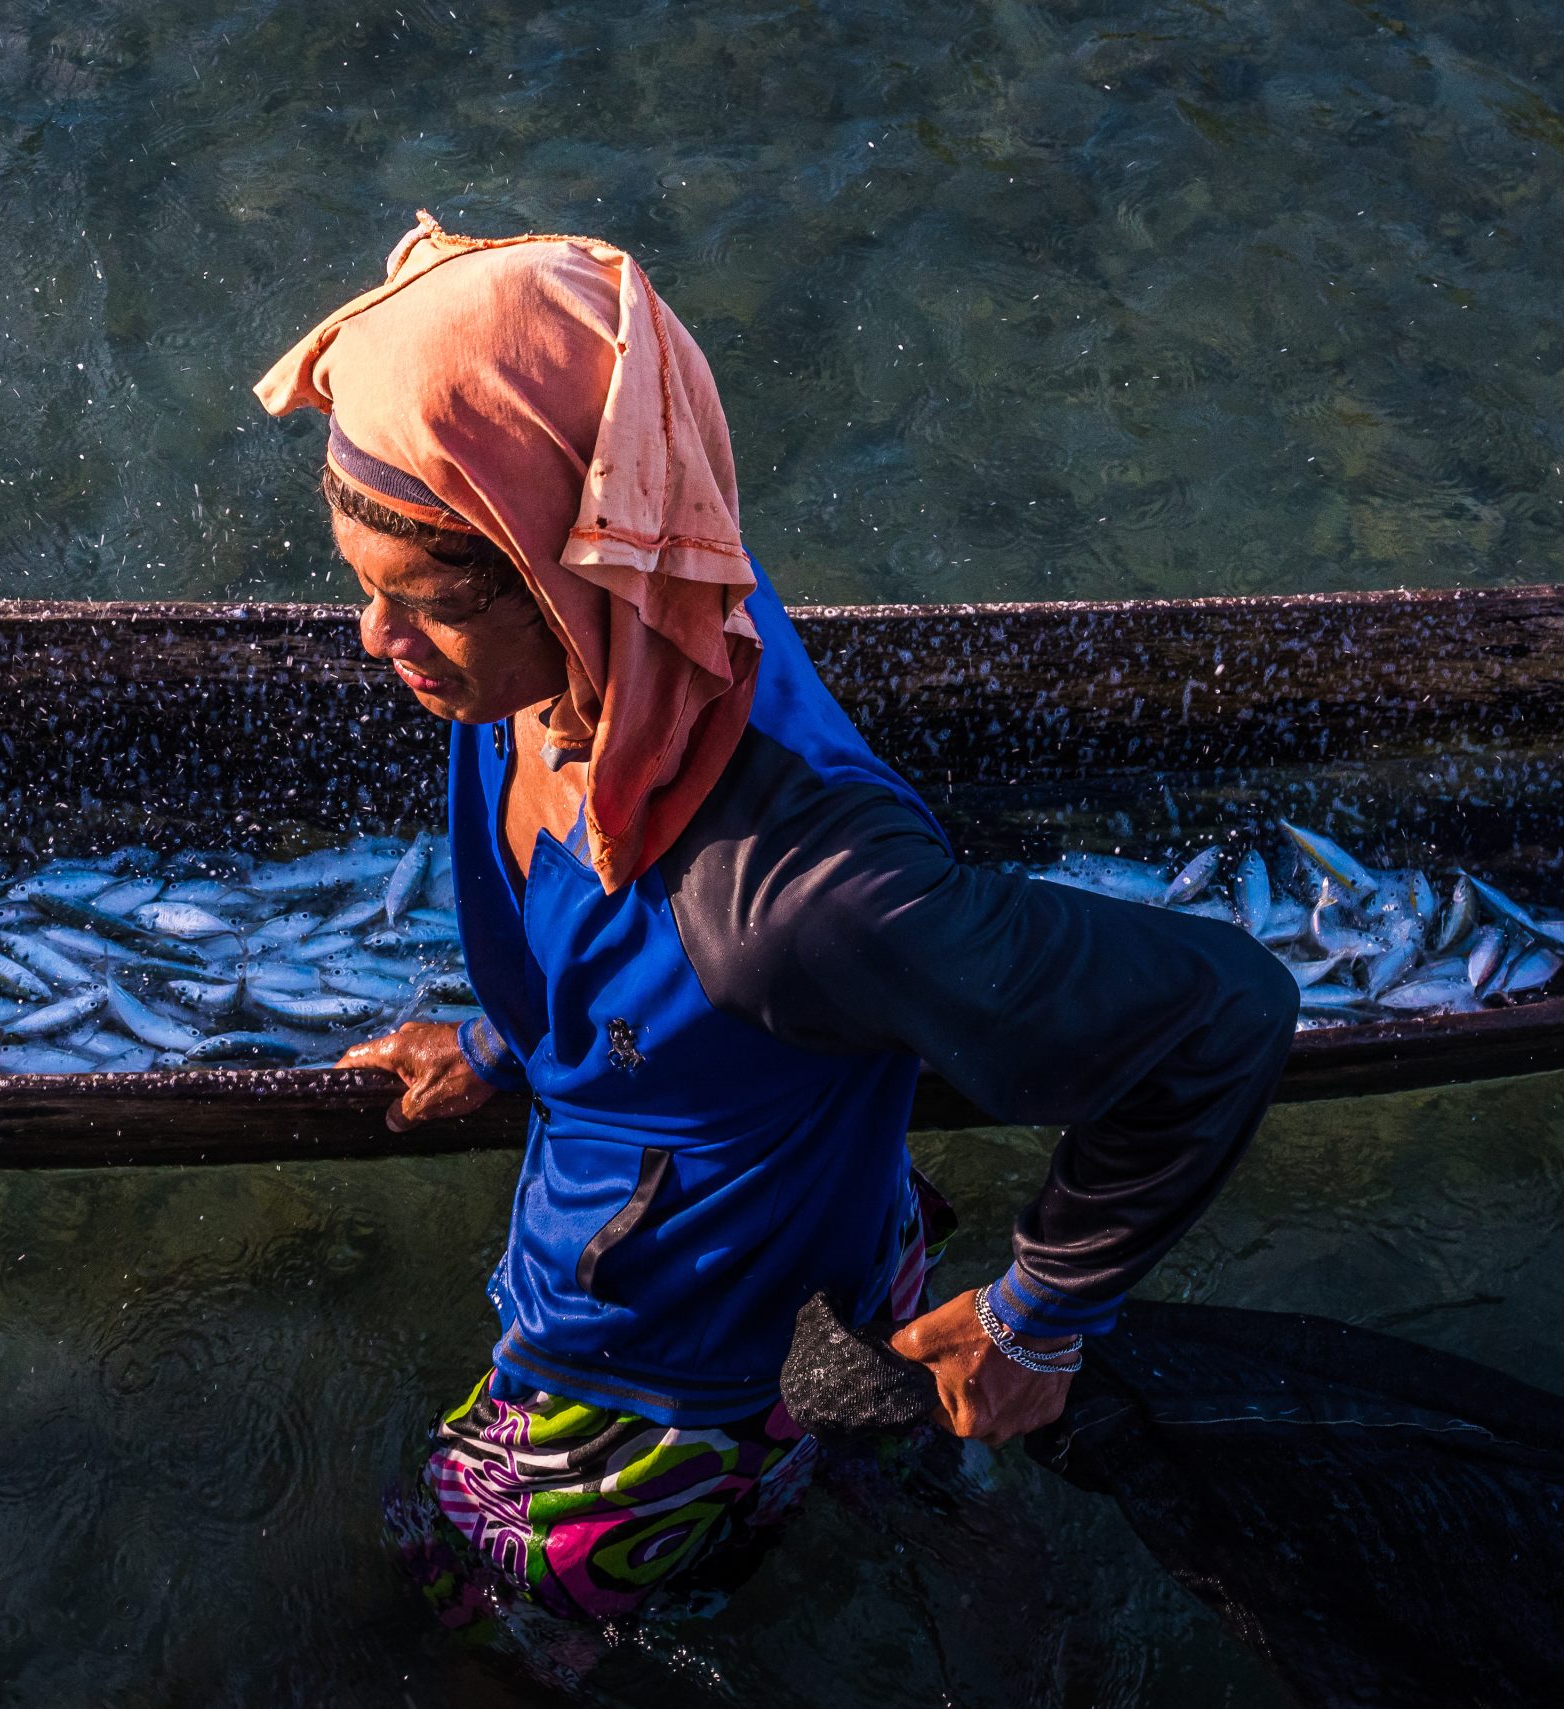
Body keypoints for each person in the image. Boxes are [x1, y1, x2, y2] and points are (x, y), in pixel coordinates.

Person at [254, 214, 1298, 1622]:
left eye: (425, 606)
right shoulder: (576, 657)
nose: (375, 644)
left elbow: (1223, 1012)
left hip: (683, 1380)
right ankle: (902, 1486)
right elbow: (588, 940)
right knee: (870, 1464)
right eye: (364, 591)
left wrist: (1041, 1316)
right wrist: (509, 1042)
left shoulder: (803, 894)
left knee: (454, 1603)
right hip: (738, 1253)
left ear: (572, 575)